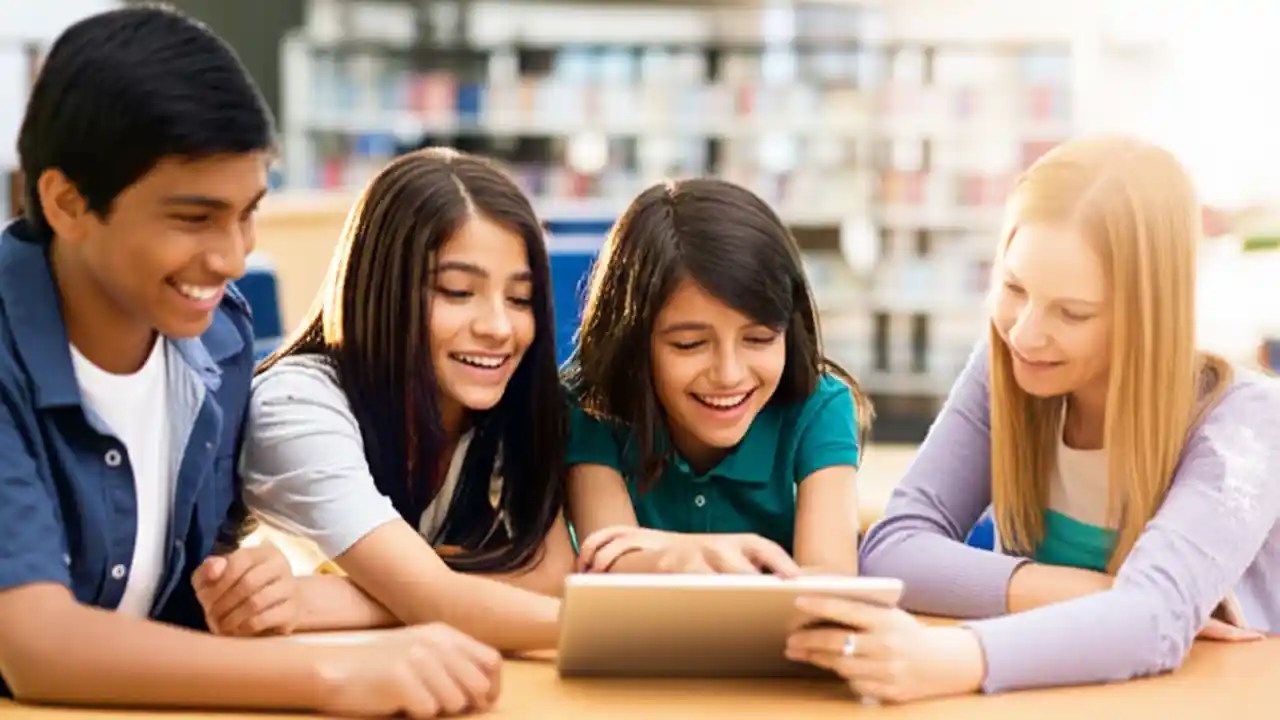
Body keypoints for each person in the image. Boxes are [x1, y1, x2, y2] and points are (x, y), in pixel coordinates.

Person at [0, 8, 500, 717]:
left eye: (248, 212)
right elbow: (37, 647)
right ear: (67, 202)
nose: (233, 257)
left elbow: (185, 593)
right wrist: (333, 676)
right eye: (194, 218)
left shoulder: (219, 339)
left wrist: (245, 586)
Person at [786, 135, 1280, 704]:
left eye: (1073, 313)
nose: (1023, 333)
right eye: (1014, 288)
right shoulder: (1010, 369)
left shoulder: (1247, 420)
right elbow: (894, 547)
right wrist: (1110, 595)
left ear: (1150, 318)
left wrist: (955, 656)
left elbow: (1154, 626)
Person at [224, 148, 572, 650]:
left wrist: (323, 601)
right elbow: (444, 599)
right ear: (383, 289)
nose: (499, 327)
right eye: (456, 291)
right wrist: (618, 632)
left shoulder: (508, 407)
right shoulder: (295, 406)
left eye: (520, 299)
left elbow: (546, 577)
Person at [565, 178, 871, 575]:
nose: (728, 374)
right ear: (632, 343)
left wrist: (666, 553)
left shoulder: (820, 406)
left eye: (759, 339)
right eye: (690, 344)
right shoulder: (589, 406)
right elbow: (612, 566)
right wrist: (702, 556)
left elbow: (828, 582)